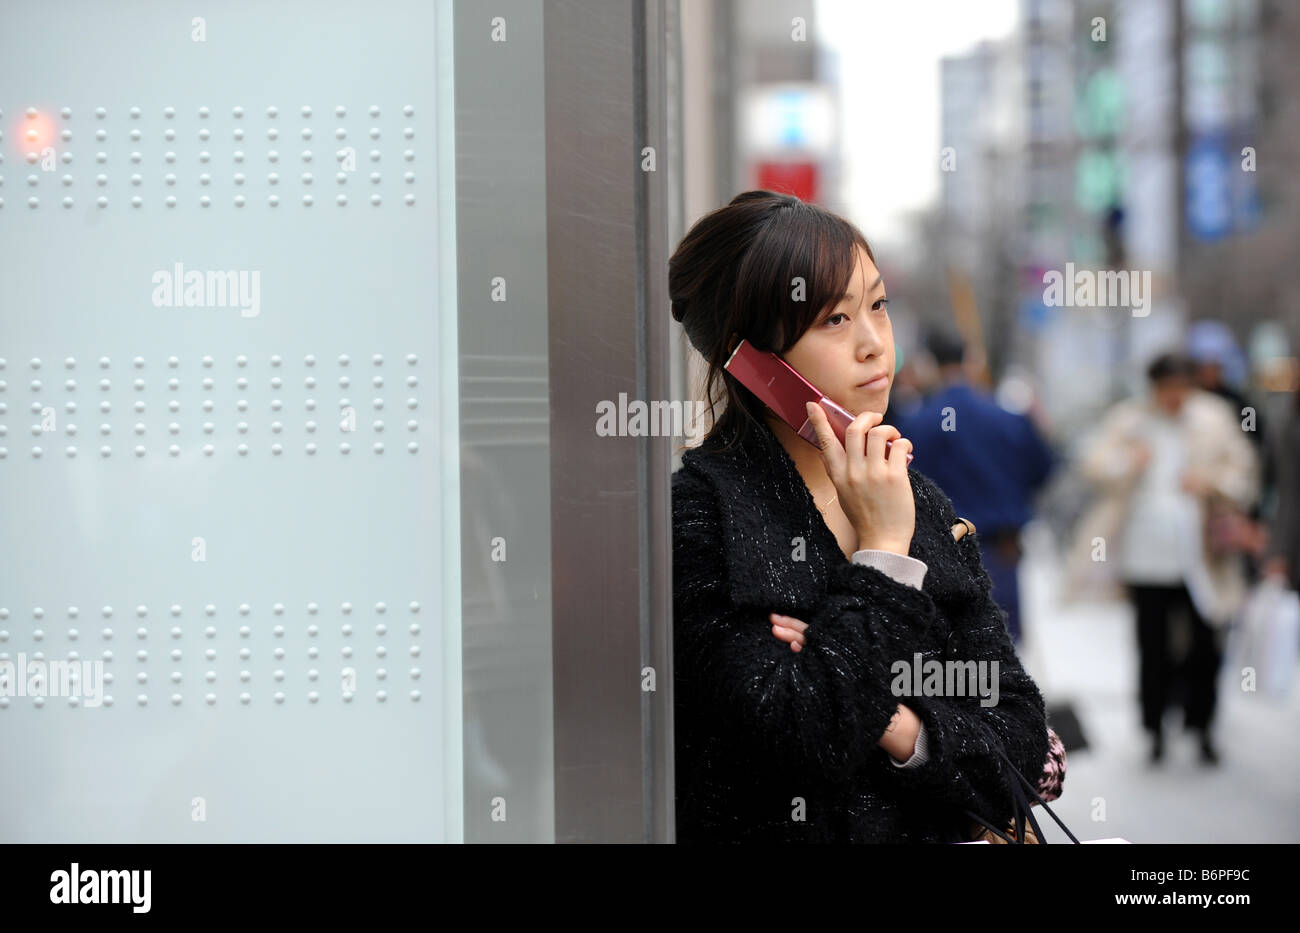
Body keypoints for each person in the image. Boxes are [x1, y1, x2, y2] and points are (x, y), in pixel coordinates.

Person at [669, 190, 1055, 842]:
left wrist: (898, 725)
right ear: (752, 359)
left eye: (877, 305)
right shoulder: (704, 513)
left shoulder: (916, 497)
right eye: (833, 321)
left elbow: (1020, 736)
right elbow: (797, 735)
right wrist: (880, 552)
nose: (876, 344)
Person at [1078, 352, 1259, 765]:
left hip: (1202, 557)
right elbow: (1094, 464)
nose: (1174, 398)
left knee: (1204, 646)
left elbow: (1245, 474)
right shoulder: (1131, 421)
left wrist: (1210, 483)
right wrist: (1129, 462)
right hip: (1145, 556)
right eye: (1167, 389)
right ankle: (1155, 728)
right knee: (1151, 646)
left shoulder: (1214, 418)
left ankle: (1202, 726)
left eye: (1181, 388)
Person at [892, 328, 1057, 643]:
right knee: (1001, 651)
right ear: (970, 361)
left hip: (939, 552)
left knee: (948, 653)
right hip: (1000, 546)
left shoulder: (917, 424)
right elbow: (1043, 468)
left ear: (930, 365)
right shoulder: (1009, 418)